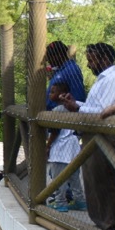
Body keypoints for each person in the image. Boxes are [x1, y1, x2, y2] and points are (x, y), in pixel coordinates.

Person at [56, 42, 115, 230]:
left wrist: (78, 108)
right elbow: (94, 106)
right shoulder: (103, 79)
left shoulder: (113, 79)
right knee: (92, 181)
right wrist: (75, 103)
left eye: (92, 61)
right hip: (93, 136)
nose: (88, 65)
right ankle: (101, 224)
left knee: (103, 181)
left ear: (104, 59)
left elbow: (105, 112)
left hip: (104, 136)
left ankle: (113, 229)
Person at [46, 82, 85, 211]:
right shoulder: (76, 105)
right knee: (74, 176)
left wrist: (48, 145)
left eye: (52, 91)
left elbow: (55, 131)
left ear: (61, 94)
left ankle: (60, 202)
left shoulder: (56, 111)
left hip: (60, 148)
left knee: (58, 178)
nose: (50, 93)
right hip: (73, 146)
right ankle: (80, 201)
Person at [45, 40, 85, 110]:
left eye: (49, 56)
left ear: (58, 55)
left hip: (61, 114)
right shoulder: (59, 69)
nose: (48, 60)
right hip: (51, 113)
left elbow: (79, 98)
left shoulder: (72, 69)